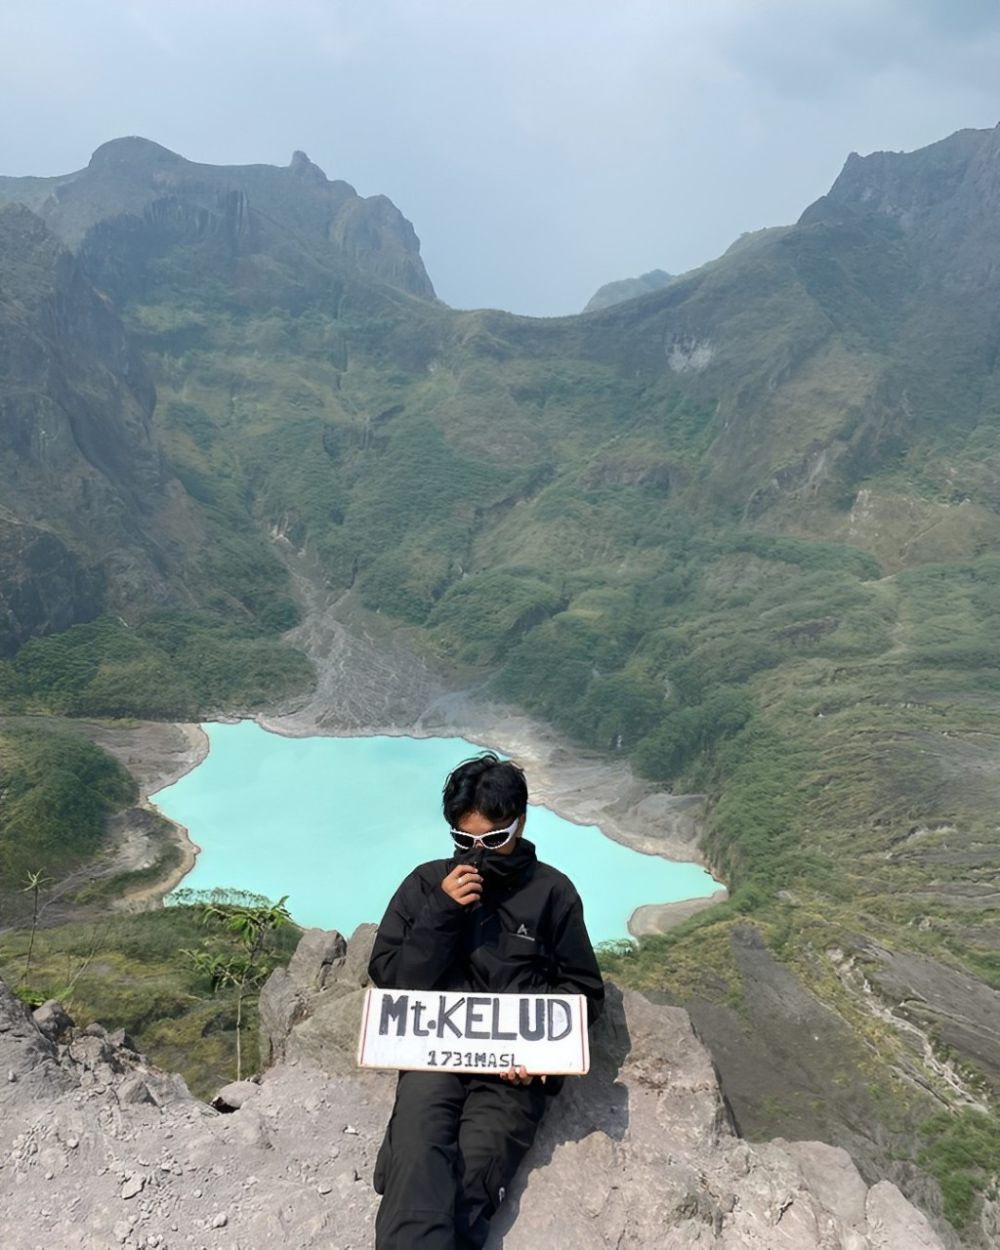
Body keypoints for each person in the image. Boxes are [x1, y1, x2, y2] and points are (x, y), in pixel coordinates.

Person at [368, 751, 605, 1250]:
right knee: (417, 1156)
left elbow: (583, 991)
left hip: (510, 1076)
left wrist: (543, 1060)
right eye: (464, 840)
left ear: (519, 823)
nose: (479, 853)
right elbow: (391, 981)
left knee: (471, 1182)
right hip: (432, 1057)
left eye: (494, 839)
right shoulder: (424, 885)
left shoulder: (552, 893)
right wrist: (441, 912)